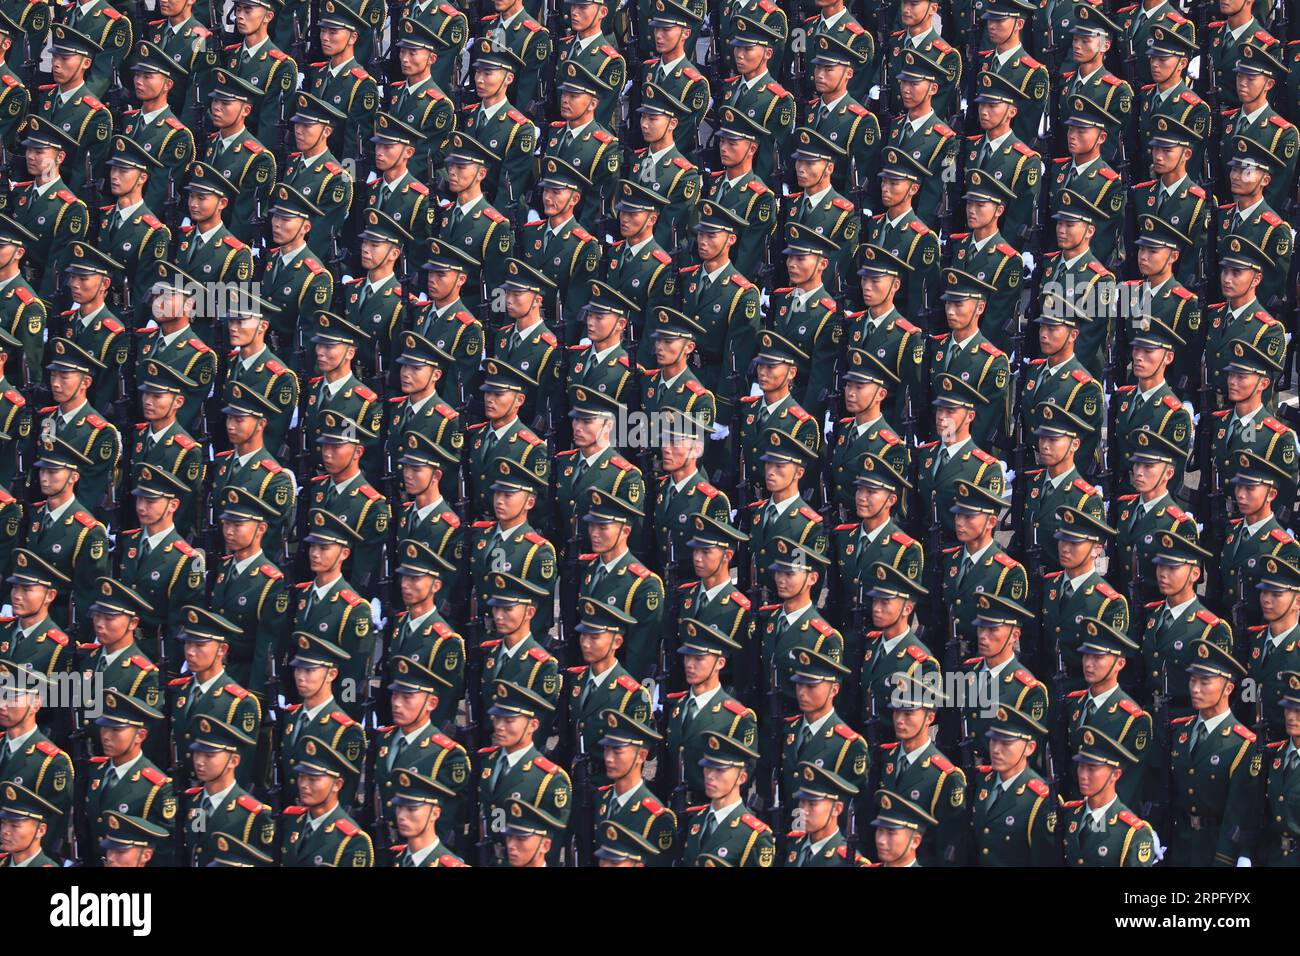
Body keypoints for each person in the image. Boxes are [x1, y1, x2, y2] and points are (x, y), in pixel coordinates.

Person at [1167, 640, 1261, 867]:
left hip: (1214, 848)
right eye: (1192, 680)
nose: (1195, 688)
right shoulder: (1180, 731)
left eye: (1205, 682)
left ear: (1228, 688)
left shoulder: (1243, 744)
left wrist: (1226, 858)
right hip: (1180, 845)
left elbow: (1238, 810)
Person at [971, 704, 1060, 865]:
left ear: (1029, 748)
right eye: (993, 740)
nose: (996, 750)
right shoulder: (981, 781)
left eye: (1006, 743)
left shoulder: (1041, 801)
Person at [1061, 726, 1157, 866]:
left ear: (1115, 774)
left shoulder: (1132, 833)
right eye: (1081, 766)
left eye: (1092, 769)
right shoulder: (1068, 814)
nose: (1082, 775)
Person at [679, 730, 775, 866]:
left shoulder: (754, 836)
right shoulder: (696, 819)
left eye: (720, 770)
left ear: (741, 778)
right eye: (707, 767)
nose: (710, 776)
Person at [388, 767, 466, 866]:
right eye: (399, 807)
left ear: (435, 814)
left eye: (412, 809)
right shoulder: (396, 859)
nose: (401, 816)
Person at [786, 761, 858, 866]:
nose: (803, 810)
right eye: (802, 802)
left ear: (836, 809)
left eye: (812, 804)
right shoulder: (791, 844)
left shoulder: (846, 860)